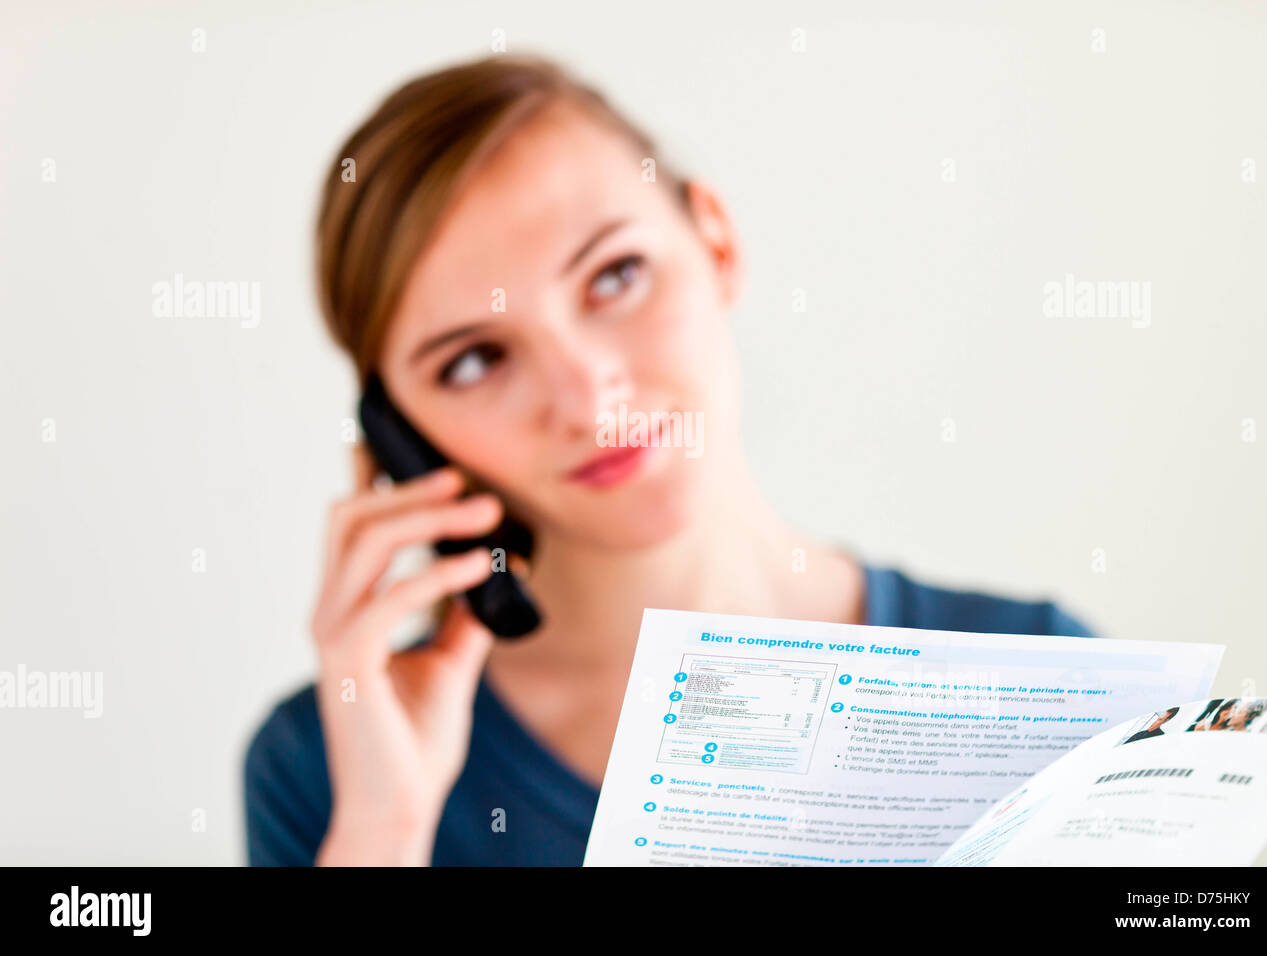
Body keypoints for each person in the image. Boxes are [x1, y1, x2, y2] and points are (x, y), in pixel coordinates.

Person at [243, 52, 1095, 866]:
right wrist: (387, 832)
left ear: (716, 242)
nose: (587, 400)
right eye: (475, 360)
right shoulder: (326, 770)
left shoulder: (1052, 686)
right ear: (401, 434)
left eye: (615, 276)